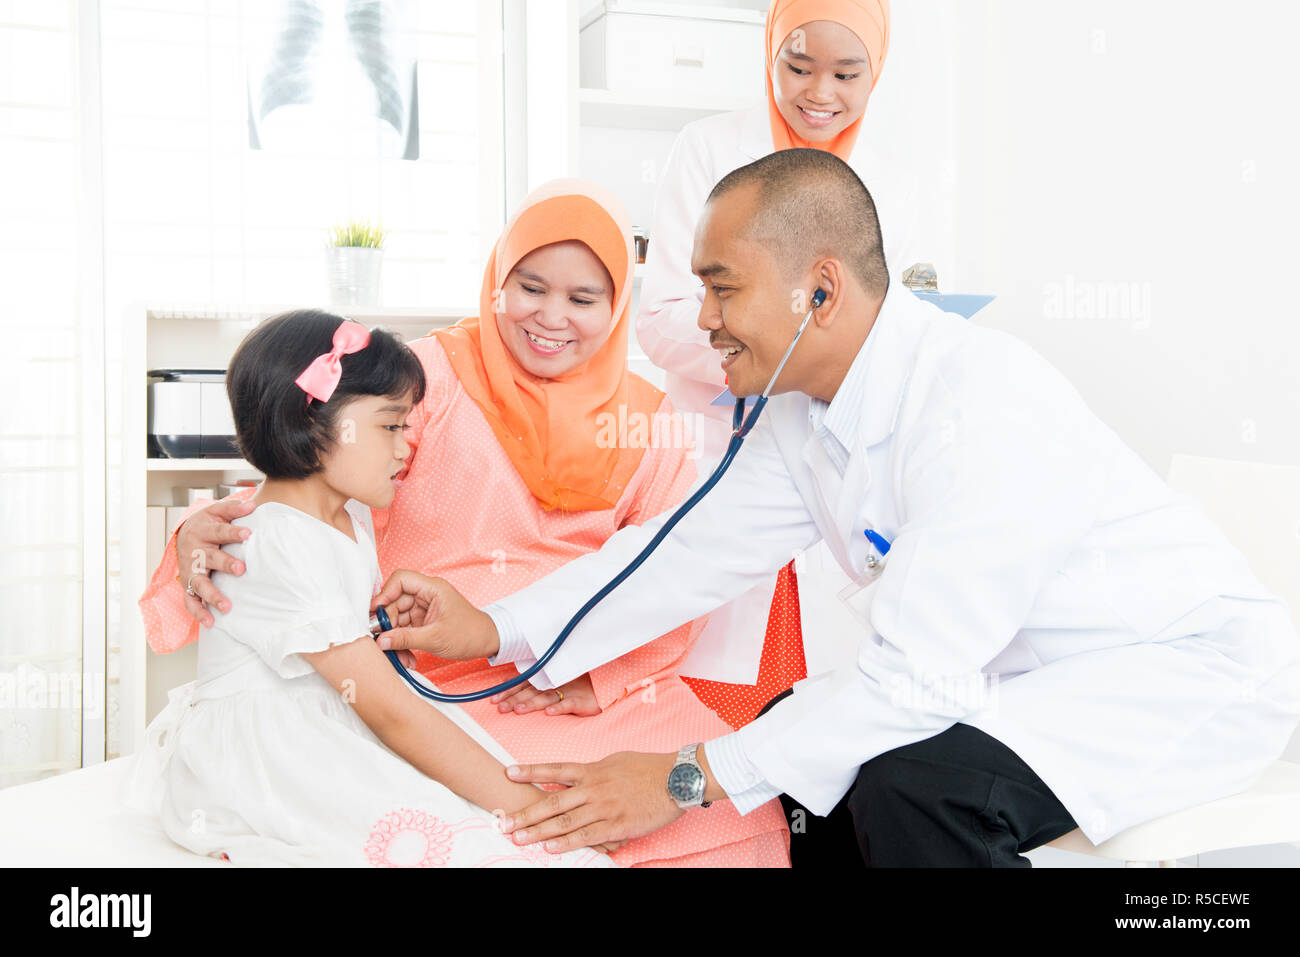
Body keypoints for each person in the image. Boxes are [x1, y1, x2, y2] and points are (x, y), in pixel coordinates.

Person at [371, 149, 1300, 867]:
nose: (700, 319)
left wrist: (684, 775)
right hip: (1016, 677)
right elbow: (677, 556)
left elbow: (914, 677)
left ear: (819, 288)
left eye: (720, 285)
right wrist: (494, 626)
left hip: (1174, 677)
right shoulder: (802, 416)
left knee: (913, 791)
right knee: (807, 780)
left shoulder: (982, 403)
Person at [141, 181, 791, 867]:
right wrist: (199, 532)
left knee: (729, 803)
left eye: (582, 298)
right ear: (498, 282)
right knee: (542, 817)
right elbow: (314, 478)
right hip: (436, 673)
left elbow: (672, 573)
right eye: (531, 287)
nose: (551, 317)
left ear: (618, 304)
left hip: (589, 675)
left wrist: (593, 682)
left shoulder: (651, 420)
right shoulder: (429, 377)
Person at [128, 309, 614, 867]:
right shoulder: (274, 539)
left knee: (478, 824)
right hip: (270, 761)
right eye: (390, 426)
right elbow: (392, 713)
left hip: (331, 721)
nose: (406, 446)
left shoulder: (345, 518)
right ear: (311, 424)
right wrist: (534, 811)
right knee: (483, 844)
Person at [636, 0, 919, 727]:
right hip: (720, 456)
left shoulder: (892, 172)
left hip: (838, 457)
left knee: (835, 709)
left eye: (846, 72)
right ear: (768, 54)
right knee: (713, 704)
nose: (819, 92)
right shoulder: (707, 149)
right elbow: (663, 321)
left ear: (876, 72)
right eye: (798, 66)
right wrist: (783, 348)